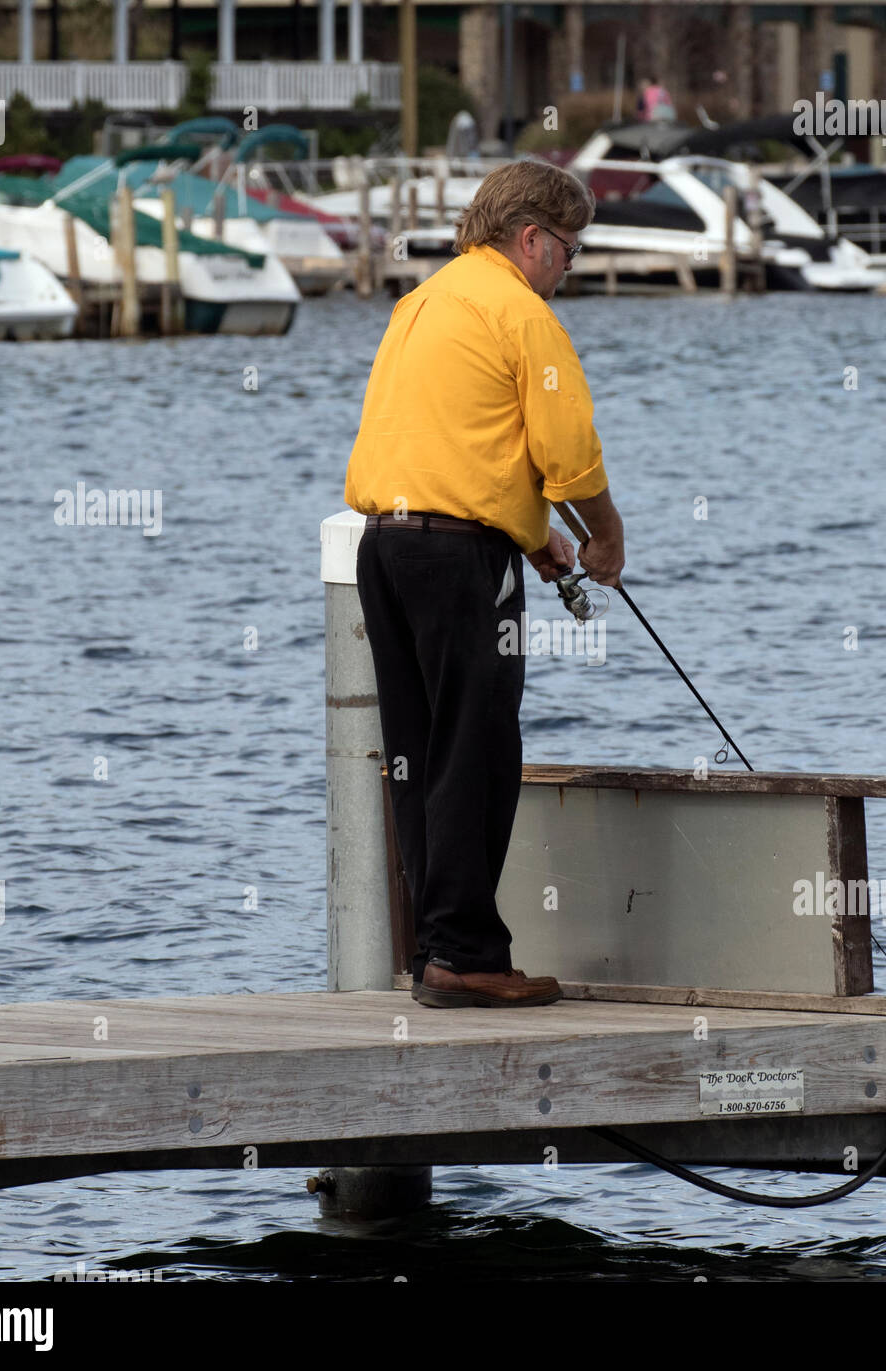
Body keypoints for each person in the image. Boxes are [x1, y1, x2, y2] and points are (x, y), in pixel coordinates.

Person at [343, 162, 627, 1009]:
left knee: (417, 751)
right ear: (531, 238)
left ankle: (437, 949)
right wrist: (602, 535)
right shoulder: (518, 311)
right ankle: (467, 953)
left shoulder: (421, 303)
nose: (565, 274)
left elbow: (452, 443)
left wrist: (535, 538)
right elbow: (566, 449)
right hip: (460, 563)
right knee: (478, 749)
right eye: (568, 255)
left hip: (384, 548)